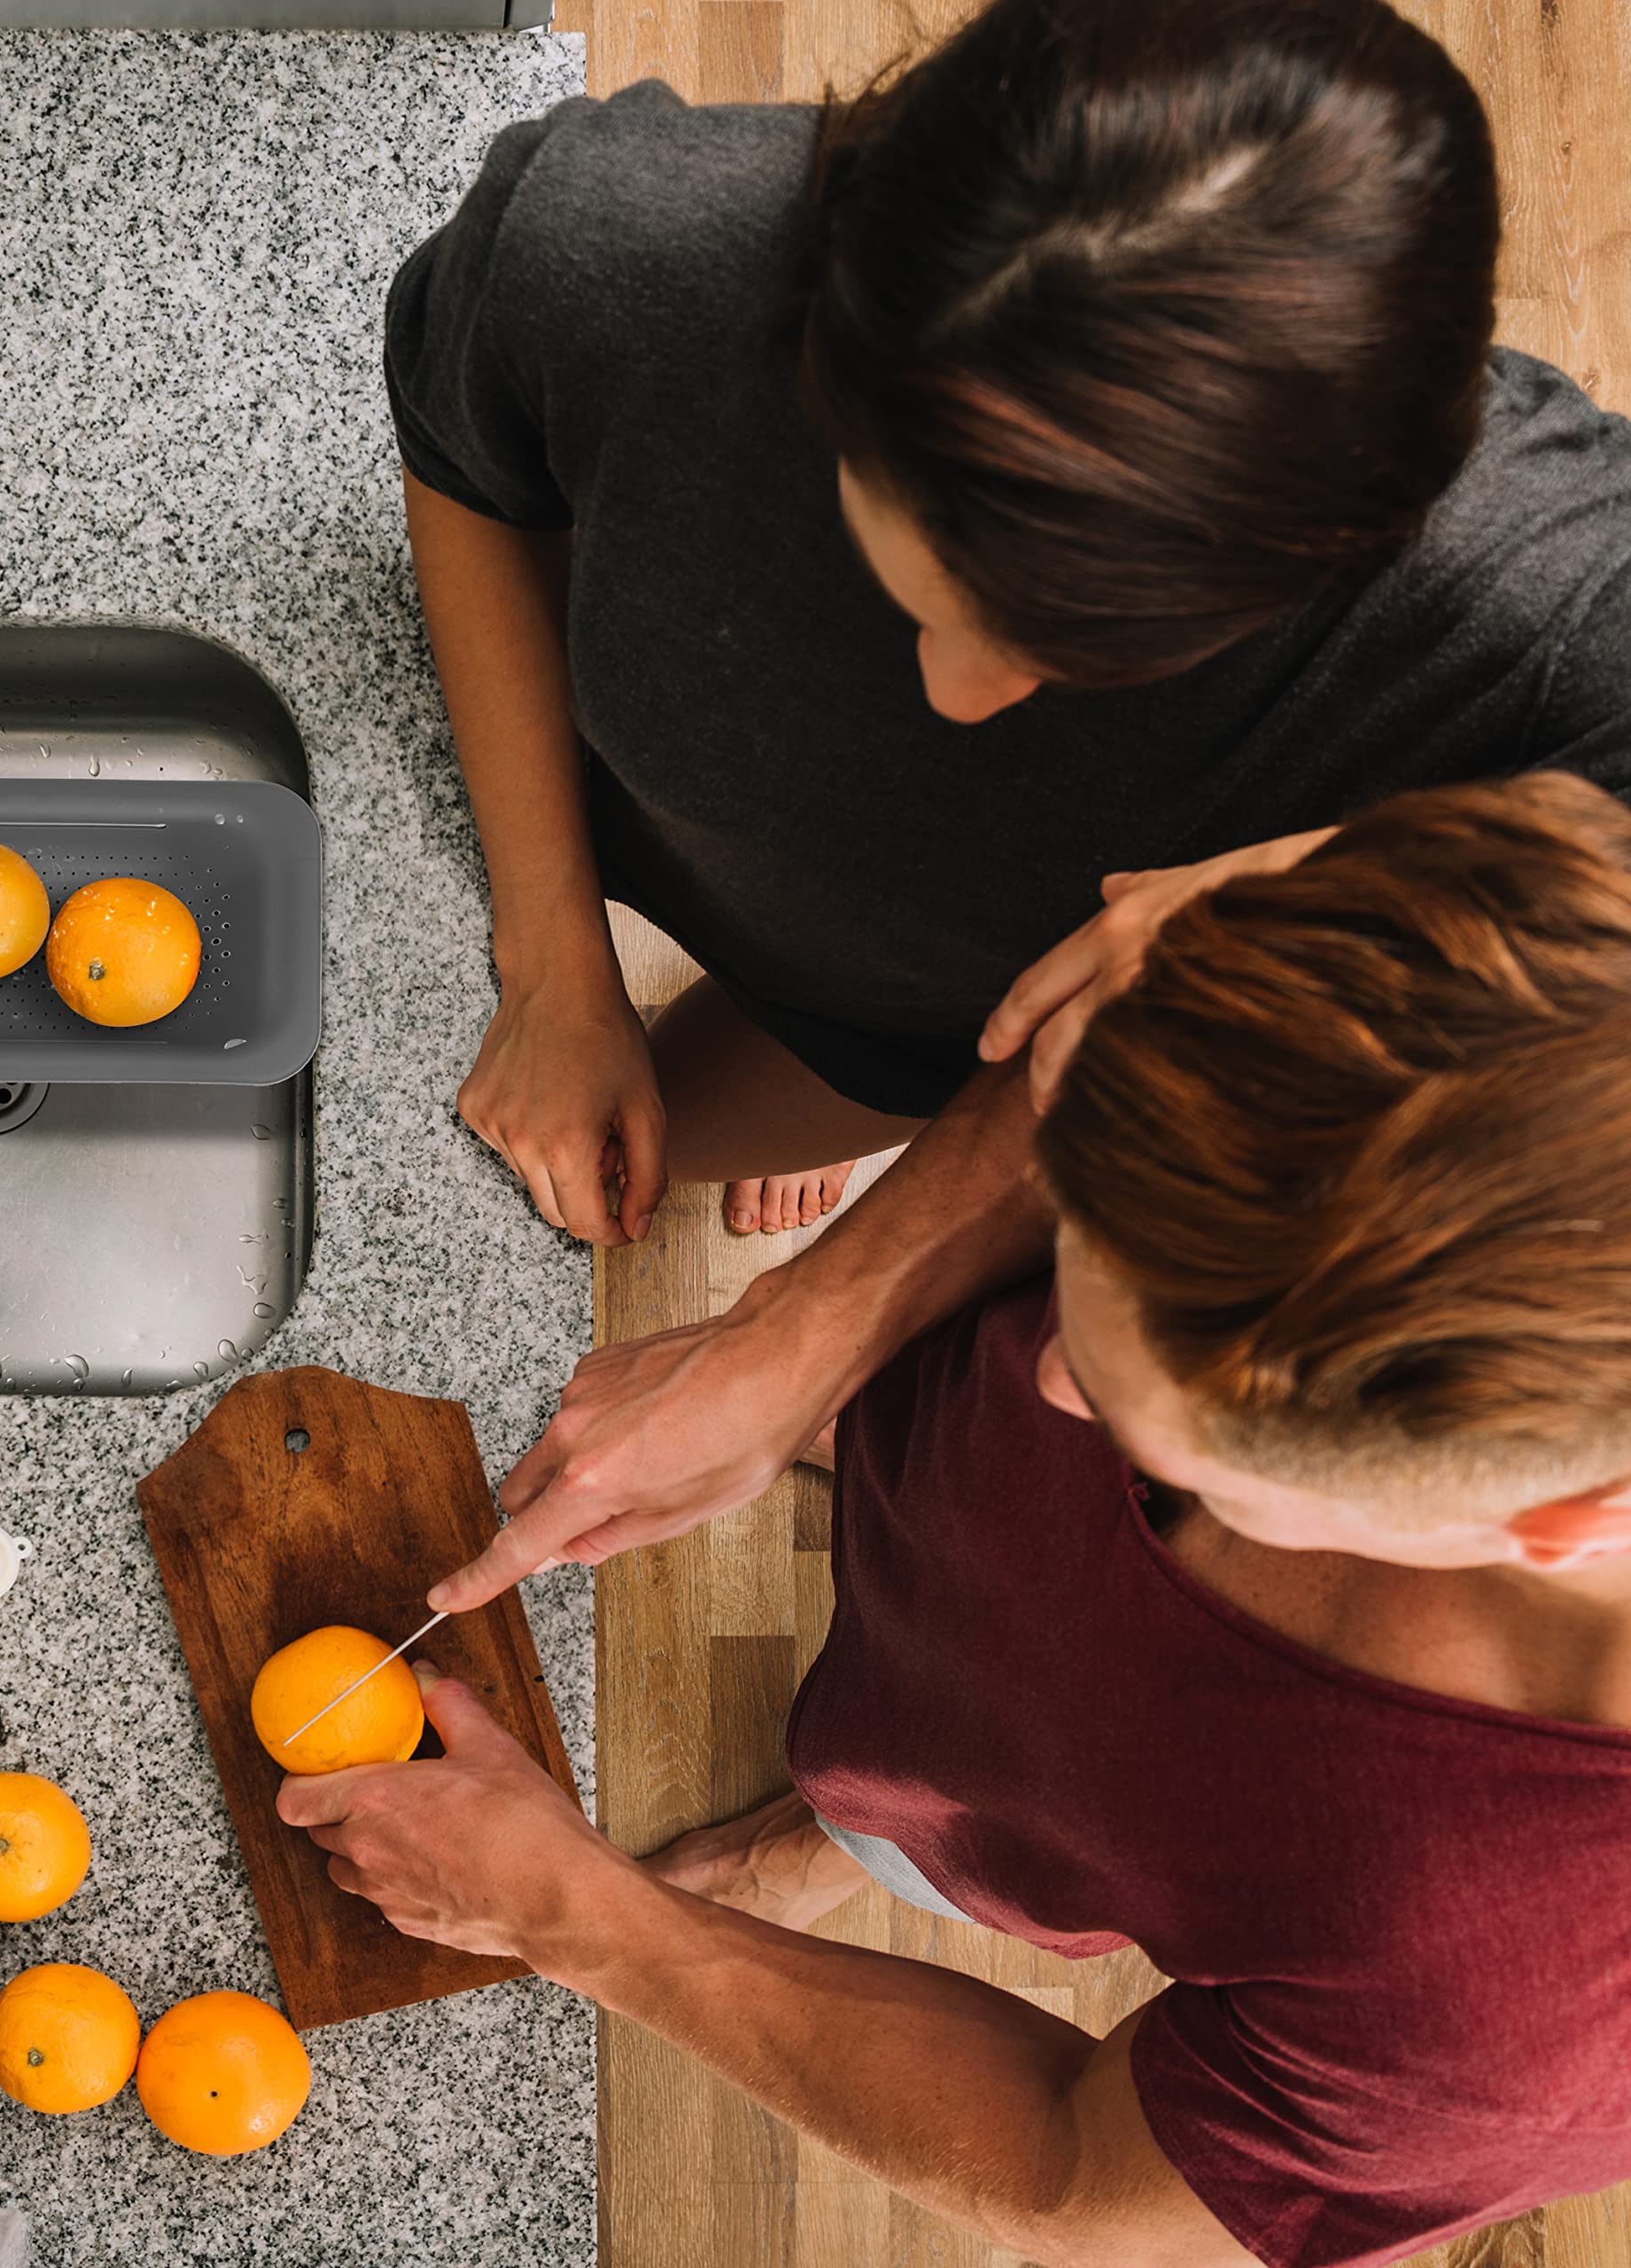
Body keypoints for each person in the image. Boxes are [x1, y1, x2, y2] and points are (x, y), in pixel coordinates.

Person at [290, 774, 1631, 2268]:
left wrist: (588, 1922)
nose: (1040, 1368)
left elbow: (1068, 2173)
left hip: (1027, 1813)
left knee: (913, 1828)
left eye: (1154, 1418)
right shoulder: (1538, 942)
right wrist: (805, 1334)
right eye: (1088, 1252)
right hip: (922, 1517)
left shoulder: (1534, 2021)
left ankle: (834, 1841)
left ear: (1569, 1517)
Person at [387, 0, 1631, 1593]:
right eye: (920, 583)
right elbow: (461, 443)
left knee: (646, 1159)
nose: (955, 695)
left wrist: (1313, 878)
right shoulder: (634, 245)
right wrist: (558, 960)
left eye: (1089, 651)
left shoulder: (1539, 605)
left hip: (925, 1034)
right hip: (668, 843)